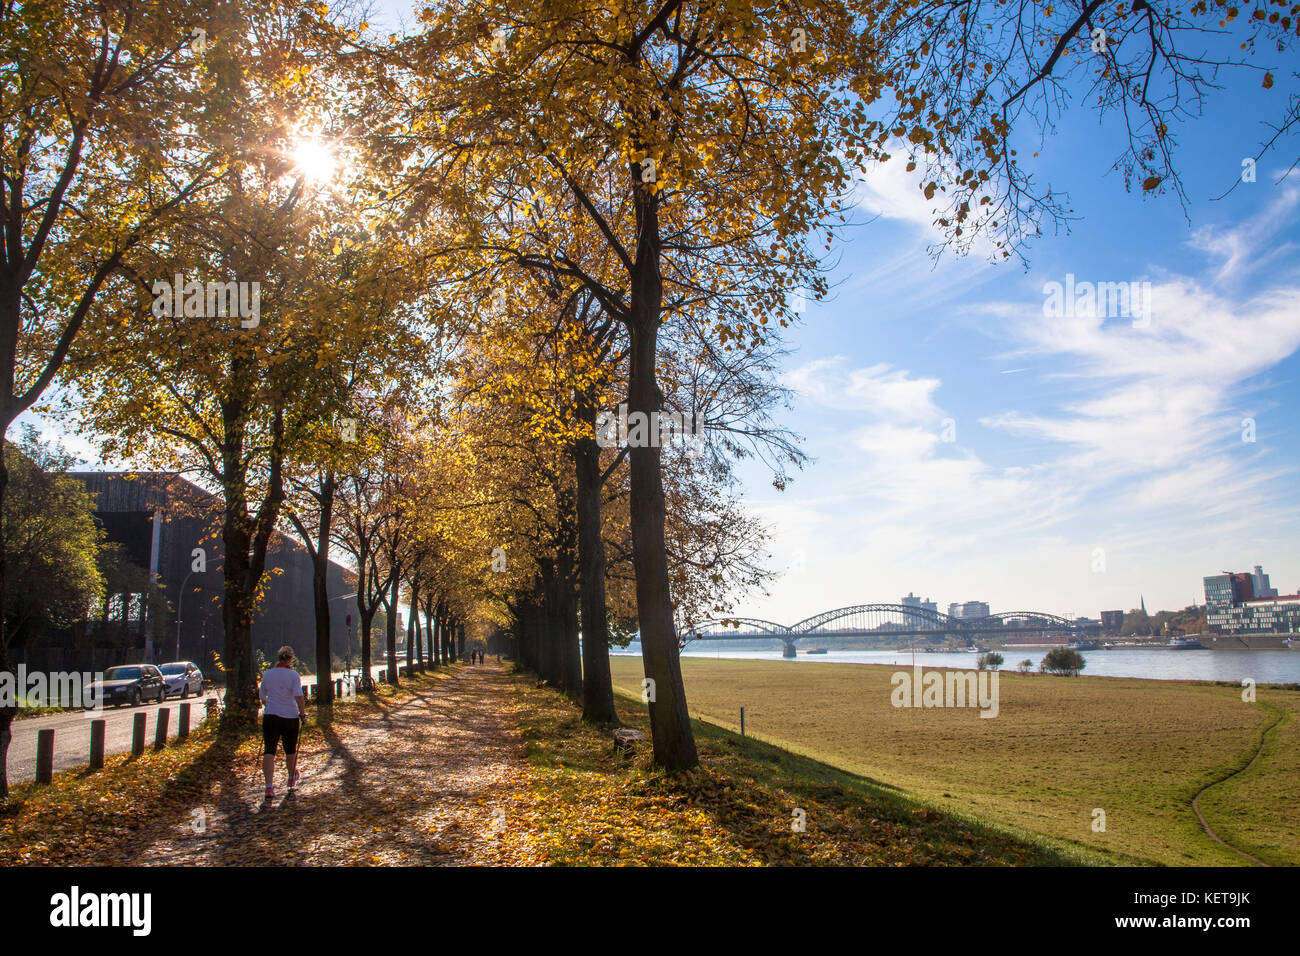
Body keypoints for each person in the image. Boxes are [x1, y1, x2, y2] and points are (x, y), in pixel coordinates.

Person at [259, 645, 307, 798]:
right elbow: (299, 696)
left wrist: (271, 705)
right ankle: (291, 777)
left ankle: (268, 786)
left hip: (271, 716)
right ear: (290, 659)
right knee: (290, 750)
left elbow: (262, 697)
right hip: (290, 717)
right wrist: (302, 714)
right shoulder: (293, 675)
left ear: (278, 658)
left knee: (269, 750)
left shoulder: (268, 674)